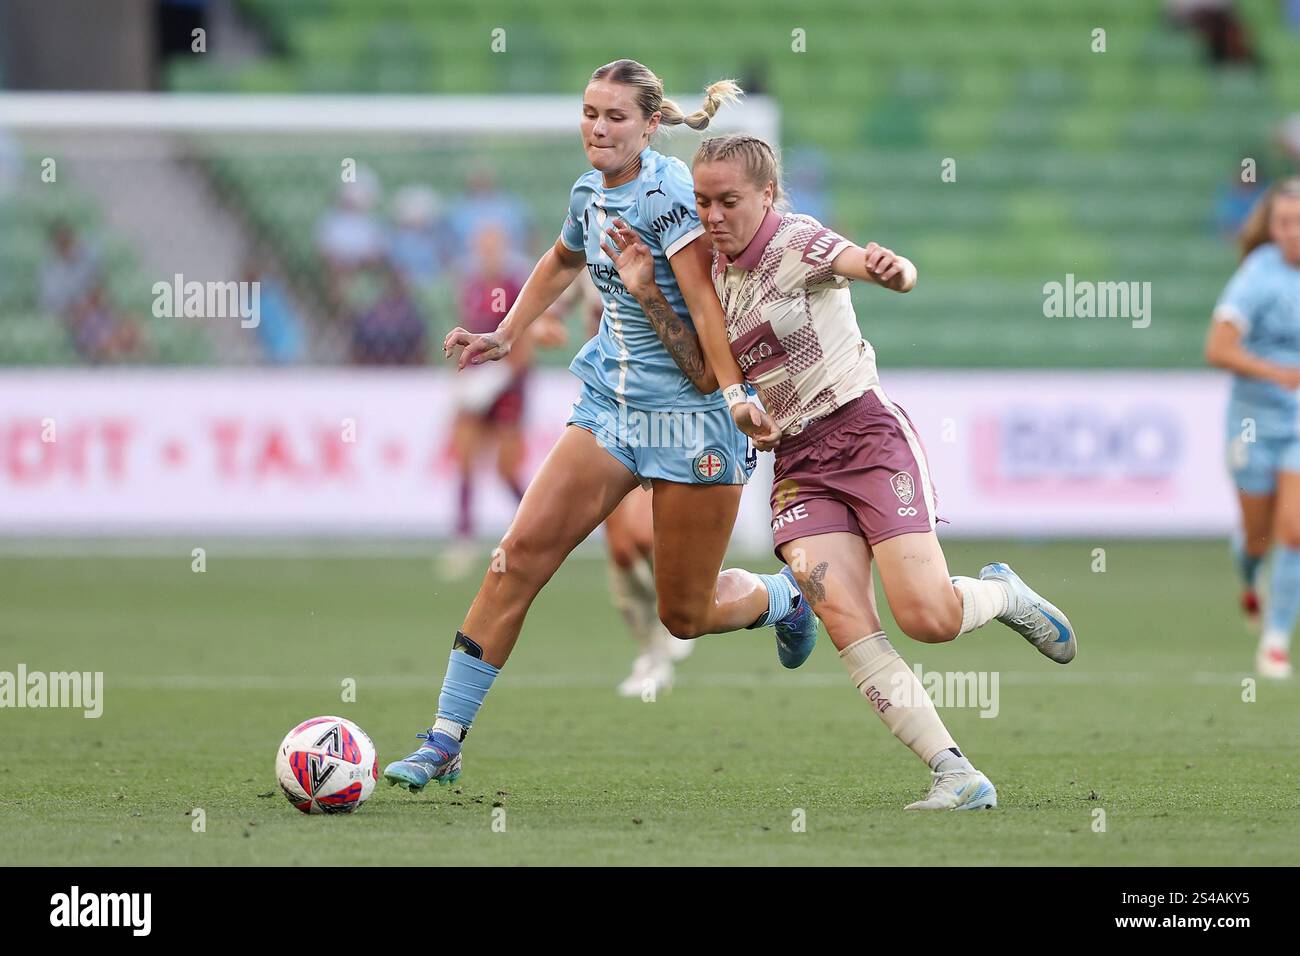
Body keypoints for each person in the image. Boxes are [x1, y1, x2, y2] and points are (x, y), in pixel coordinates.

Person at [383, 60, 815, 792]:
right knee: (516, 559)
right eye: (590, 113)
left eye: (615, 117)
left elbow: (704, 329)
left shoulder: (671, 197)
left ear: (650, 126)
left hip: (695, 423)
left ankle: (782, 598)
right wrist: (507, 333)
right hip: (609, 415)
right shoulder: (590, 190)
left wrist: (737, 391)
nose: (598, 128)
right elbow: (561, 257)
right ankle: (444, 742)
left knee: (684, 613)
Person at [620, 132, 1077, 810]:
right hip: (800, 468)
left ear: (767, 196)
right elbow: (707, 370)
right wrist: (651, 300)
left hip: (865, 438)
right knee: (846, 620)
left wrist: (894, 270)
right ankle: (955, 773)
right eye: (703, 202)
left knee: (926, 617)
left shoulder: (796, 240)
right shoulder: (707, 274)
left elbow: (867, 262)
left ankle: (1003, 594)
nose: (712, 217)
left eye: (728, 201)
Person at [1205, 177, 1300, 679]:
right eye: (1284, 222)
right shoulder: (1257, 277)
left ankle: (1277, 640)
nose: (1292, 232)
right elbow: (1217, 349)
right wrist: (1277, 372)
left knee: (1296, 530)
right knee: (1258, 540)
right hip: (1253, 422)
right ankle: (1249, 569)